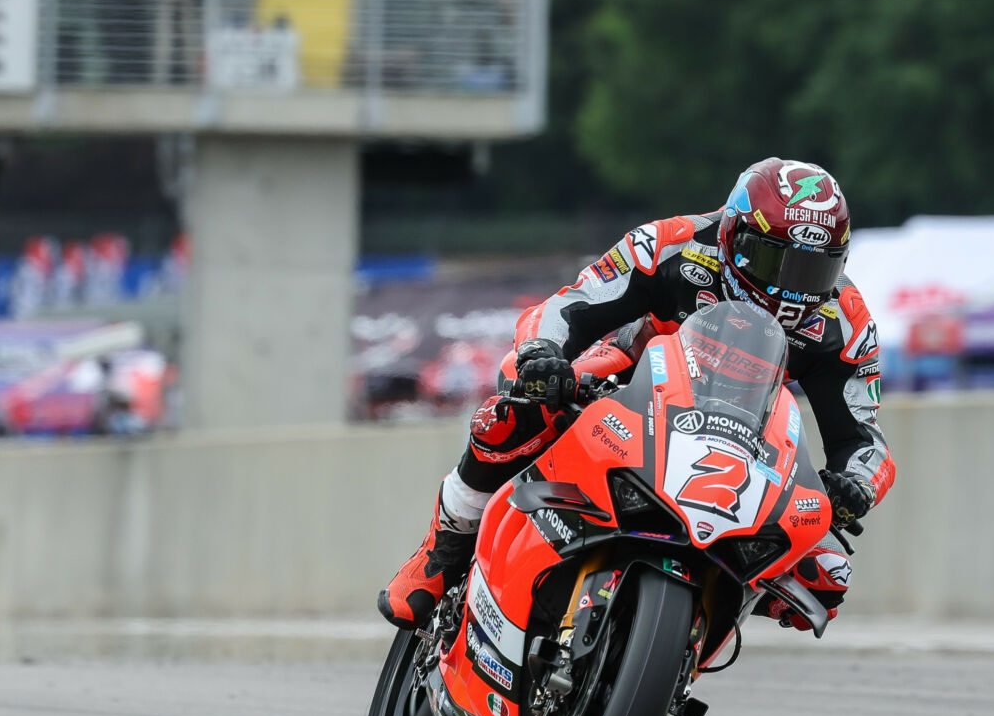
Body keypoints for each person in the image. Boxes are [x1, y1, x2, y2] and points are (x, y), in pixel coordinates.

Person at [379, 157, 897, 633]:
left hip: (742, 439)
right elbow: (574, 302)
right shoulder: (672, 243)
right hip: (631, 382)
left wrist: (855, 486)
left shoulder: (845, 321)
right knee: (518, 408)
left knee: (827, 572)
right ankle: (443, 550)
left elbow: (866, 439)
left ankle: (684, 645)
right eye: (773, 261)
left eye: (813, 271)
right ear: (734, 234)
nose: (790, 289)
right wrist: (544, 352)